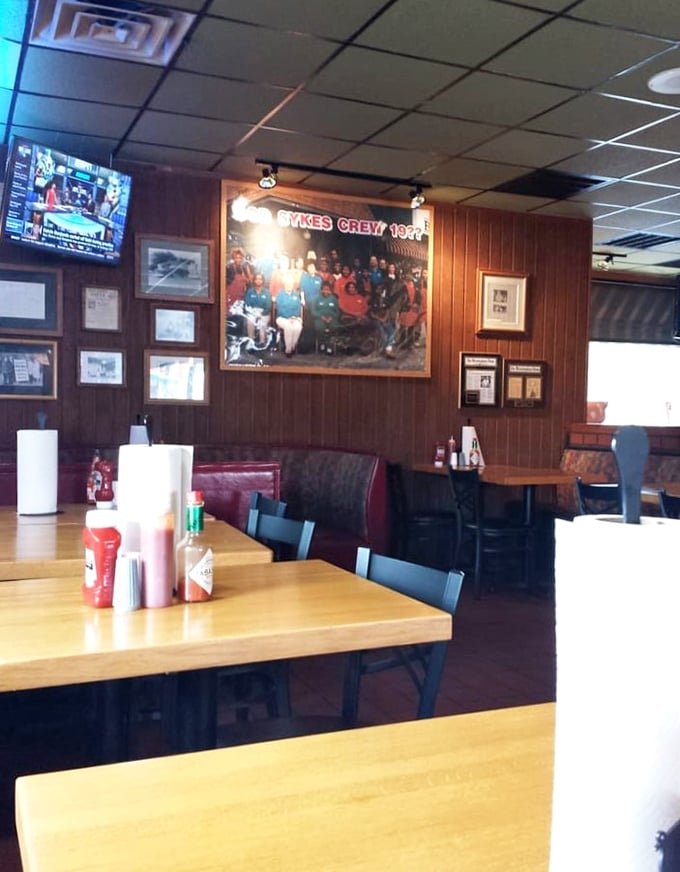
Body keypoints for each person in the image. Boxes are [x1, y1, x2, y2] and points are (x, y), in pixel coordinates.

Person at [275, 274, 303, 358]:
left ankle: (293, 346)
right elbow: (280, 308)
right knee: (289, 327)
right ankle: (288, 350)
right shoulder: (280, 294)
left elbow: (298, 308)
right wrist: (288, 317)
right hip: (282, 318)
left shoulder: (296, 294)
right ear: (284, 284)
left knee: (298, 327)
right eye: (287, 284)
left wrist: (294, 317)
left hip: (295, 317)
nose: (289, 285)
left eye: (291, 284)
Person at [243, 272, 273, 345]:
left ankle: (262, 342)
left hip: (264, 312)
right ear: (254, 280)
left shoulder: (267, 292)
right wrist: (253, 312)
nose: (258, 281)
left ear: (263, 281)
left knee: (262, 323)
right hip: (252, 312)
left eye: (260, 279)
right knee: (250, 320)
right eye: (256, 279)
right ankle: (251, 342)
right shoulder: (250, 291)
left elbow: (268, 306)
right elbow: (247, 304)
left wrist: (262, 313)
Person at [312, 281, 340, 354]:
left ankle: (330, 346)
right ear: (321, 290)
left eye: (328, 290)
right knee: (320, 328)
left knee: (334, 327)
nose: (326, 291)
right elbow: (313, 311)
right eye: (324, 289)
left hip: (331, 319)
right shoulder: (316, 299)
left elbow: (337, 312)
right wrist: (321, 317)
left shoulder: (334, 299)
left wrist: (332, 318)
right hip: (320, 319)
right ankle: (322, 343)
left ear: (330, 291)